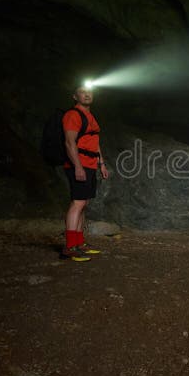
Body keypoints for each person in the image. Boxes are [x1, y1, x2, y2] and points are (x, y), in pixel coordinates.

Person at [62, 85, 109, 261]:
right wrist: (78, 166)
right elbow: (69, 143)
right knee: (77, 203)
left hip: (90, 164)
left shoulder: (90, 116)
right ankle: (69, 247)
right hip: (79, 164)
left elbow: (94, 142)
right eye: (82, 92)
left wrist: (101, 164)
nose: (87, 94)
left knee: (83, 204)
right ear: (75, 96)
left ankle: (79, 243)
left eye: (90, 92)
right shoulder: (73, 115)